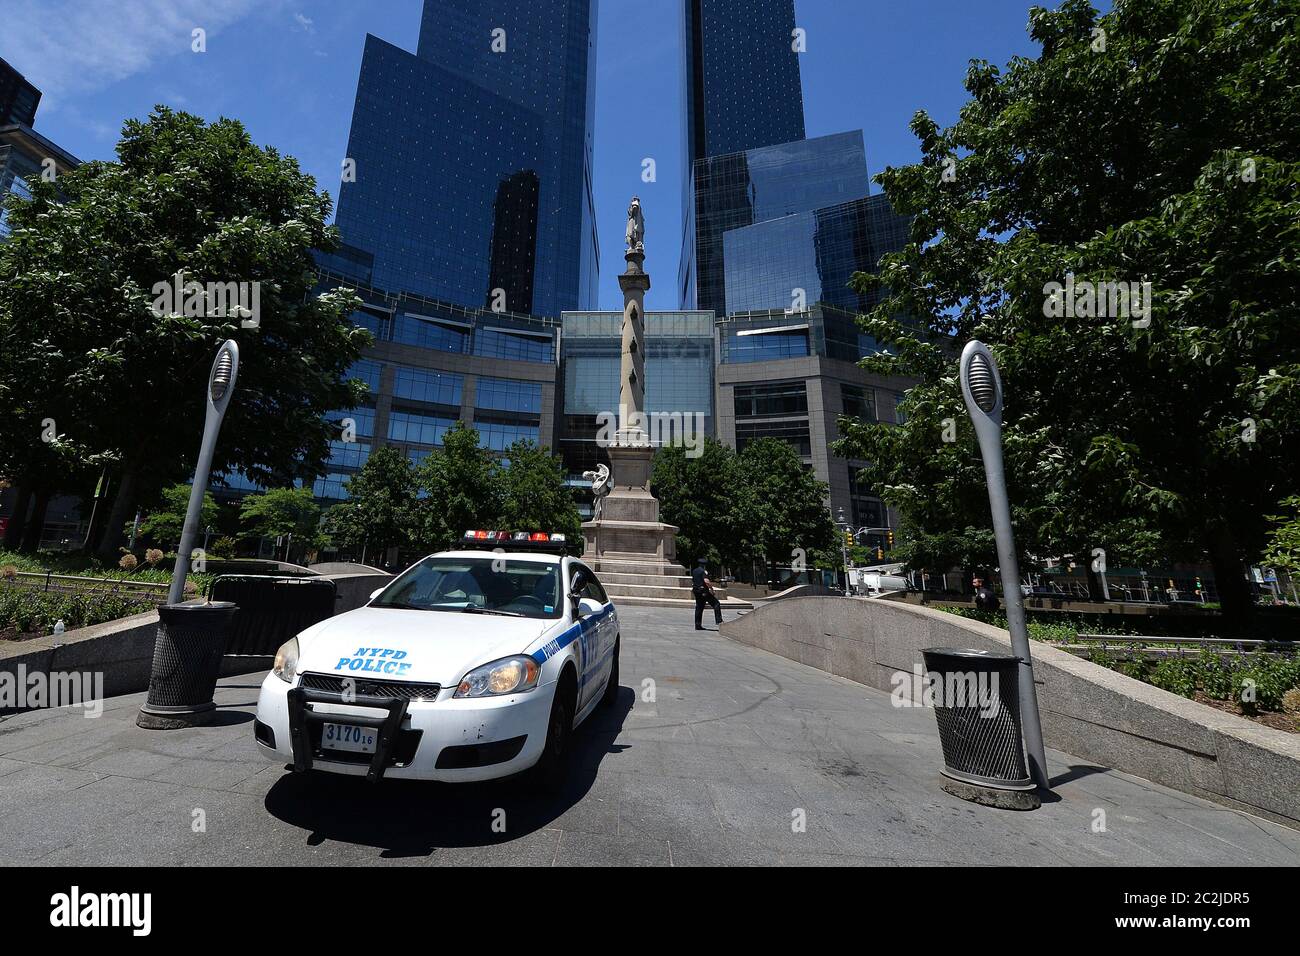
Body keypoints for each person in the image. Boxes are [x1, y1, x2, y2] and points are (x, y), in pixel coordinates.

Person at [692, 558, 723, 630]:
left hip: (696, 590)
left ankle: (698, 625)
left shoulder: (694, 571)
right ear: (704, 565)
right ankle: (719, 620)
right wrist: (712, 589)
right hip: (703, 591)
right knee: (716, 604)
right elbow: (706, 581)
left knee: (699, 607)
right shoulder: (703, 572)